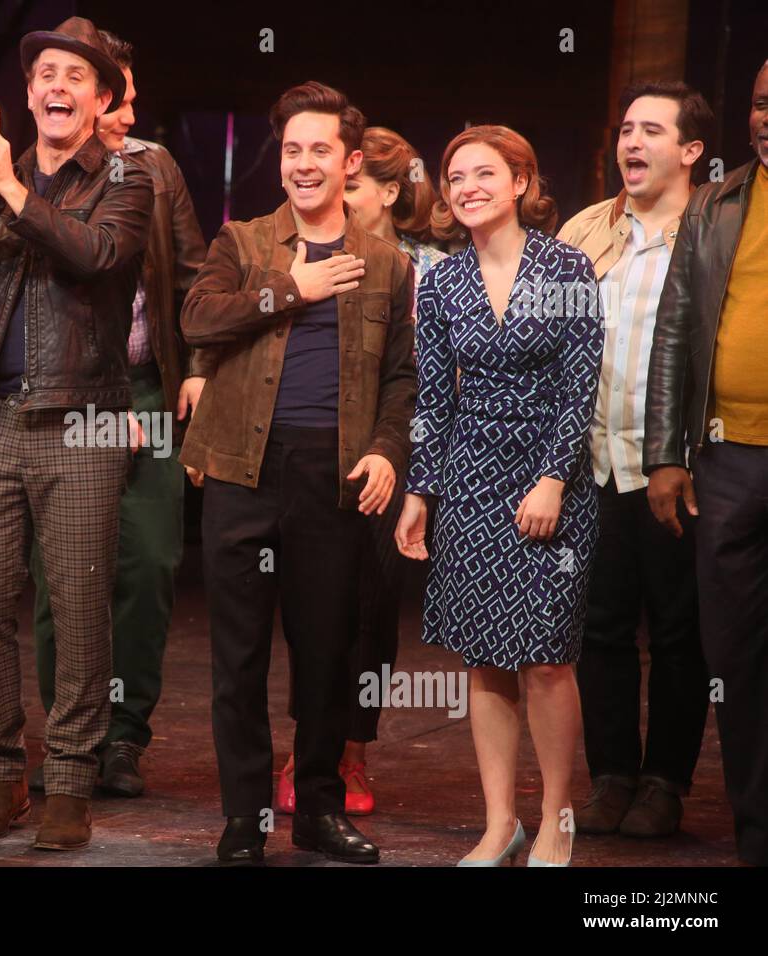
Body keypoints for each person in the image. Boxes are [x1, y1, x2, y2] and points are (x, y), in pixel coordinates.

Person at [180, 81, 416, 865]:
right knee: (238, 654)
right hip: (245, 468)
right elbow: (199, 317)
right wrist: (292, 287)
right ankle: (245, 815)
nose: (304, 164)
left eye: (320, 150)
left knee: (326, 651)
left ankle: (317, 807)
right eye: (292, 150)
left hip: (335, 472)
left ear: (350, 163)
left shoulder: (385, 263)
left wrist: (386, 449)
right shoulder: (243, 242)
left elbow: (401, 377)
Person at [0, 16, 152, 851]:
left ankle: (69, 779)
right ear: (28, 95)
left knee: (76, 605)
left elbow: (97, 257)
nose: (56, 88)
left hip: (83, 423)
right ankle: (0, 769)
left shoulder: (126, 179)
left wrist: (16, 194)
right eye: (44, 77)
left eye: (75, 77)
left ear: (103, 101)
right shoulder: (4, 173)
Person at [396, 125, 603, 867]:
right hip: (469, 479)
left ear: (521, 182)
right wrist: (421, 490)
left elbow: (581, 386)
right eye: (456, 176)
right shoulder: (445, 279)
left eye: (485, 173)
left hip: (552, 479)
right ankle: (498, 824)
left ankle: (556, 816)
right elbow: (434, 399)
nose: (467, 186)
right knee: (483, 657)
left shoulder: (565, 267)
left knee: (546, 658)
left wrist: (552, 478)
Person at [27, 28, 208, 799]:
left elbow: (195, 278)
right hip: (64, 394)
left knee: (148, 559)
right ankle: (70, 734)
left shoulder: (155, 169)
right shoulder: (31, 173)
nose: (130, 114)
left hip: (143, 387)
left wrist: (197, 369)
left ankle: (124, 735)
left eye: (129, 97)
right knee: (61, 572)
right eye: (121, 99)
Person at [275, 125, 447, 817]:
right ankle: (305, 745)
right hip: (321, 451)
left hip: (399, 449)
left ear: (386, 193)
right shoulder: (301, 254)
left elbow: (425, 377)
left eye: (350, 185)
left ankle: (354, 749)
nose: (333, 193)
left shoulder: (424, 270)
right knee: (312, 610)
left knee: (371, 610)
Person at [558, 82, 714, 838]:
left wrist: (678, 455)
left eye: (651, 130)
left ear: (690, 150)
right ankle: (612, 775)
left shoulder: (715, 229)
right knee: (600, 628)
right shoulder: (588, 228)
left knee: (680, 631)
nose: (631, 142)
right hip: (592, 462)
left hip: (675, 467)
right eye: (624, 129)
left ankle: (665, 783)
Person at [645, 60, 768, 867]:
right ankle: (758, 838)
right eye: (760, 102)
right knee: (741, 660)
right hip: (727, 462)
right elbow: (674, 331)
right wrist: (665, 455)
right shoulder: (720, 204)